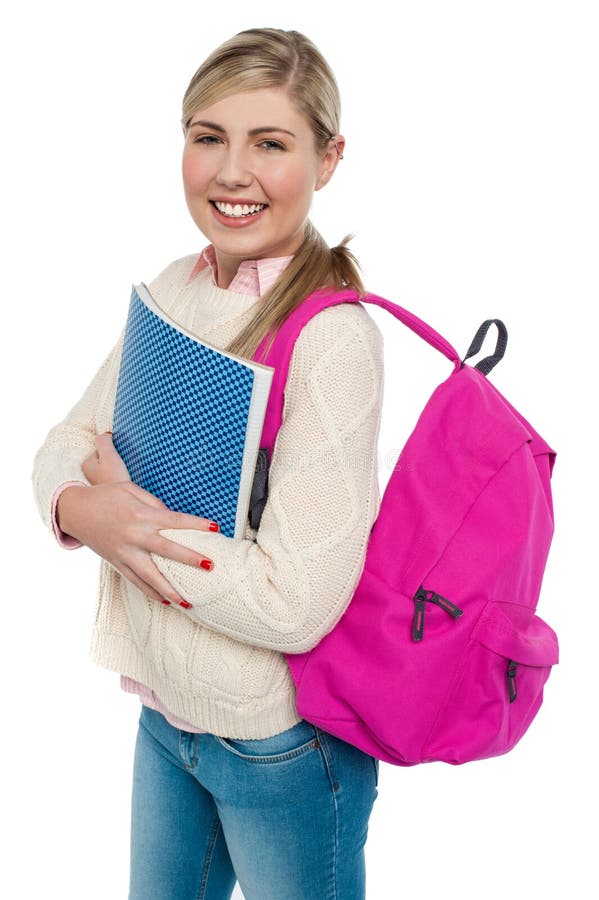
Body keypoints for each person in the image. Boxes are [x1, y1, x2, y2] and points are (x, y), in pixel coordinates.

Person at [31, 27, 385, 900]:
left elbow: (293, 603)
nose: (232, 172)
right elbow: (62, 445)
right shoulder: (178, 285)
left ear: (327, 157)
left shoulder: (333, 341)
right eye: (207, 137)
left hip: (276, 747)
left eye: (269, 143)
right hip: (164, 716)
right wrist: (82, 510)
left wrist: (122, 529)